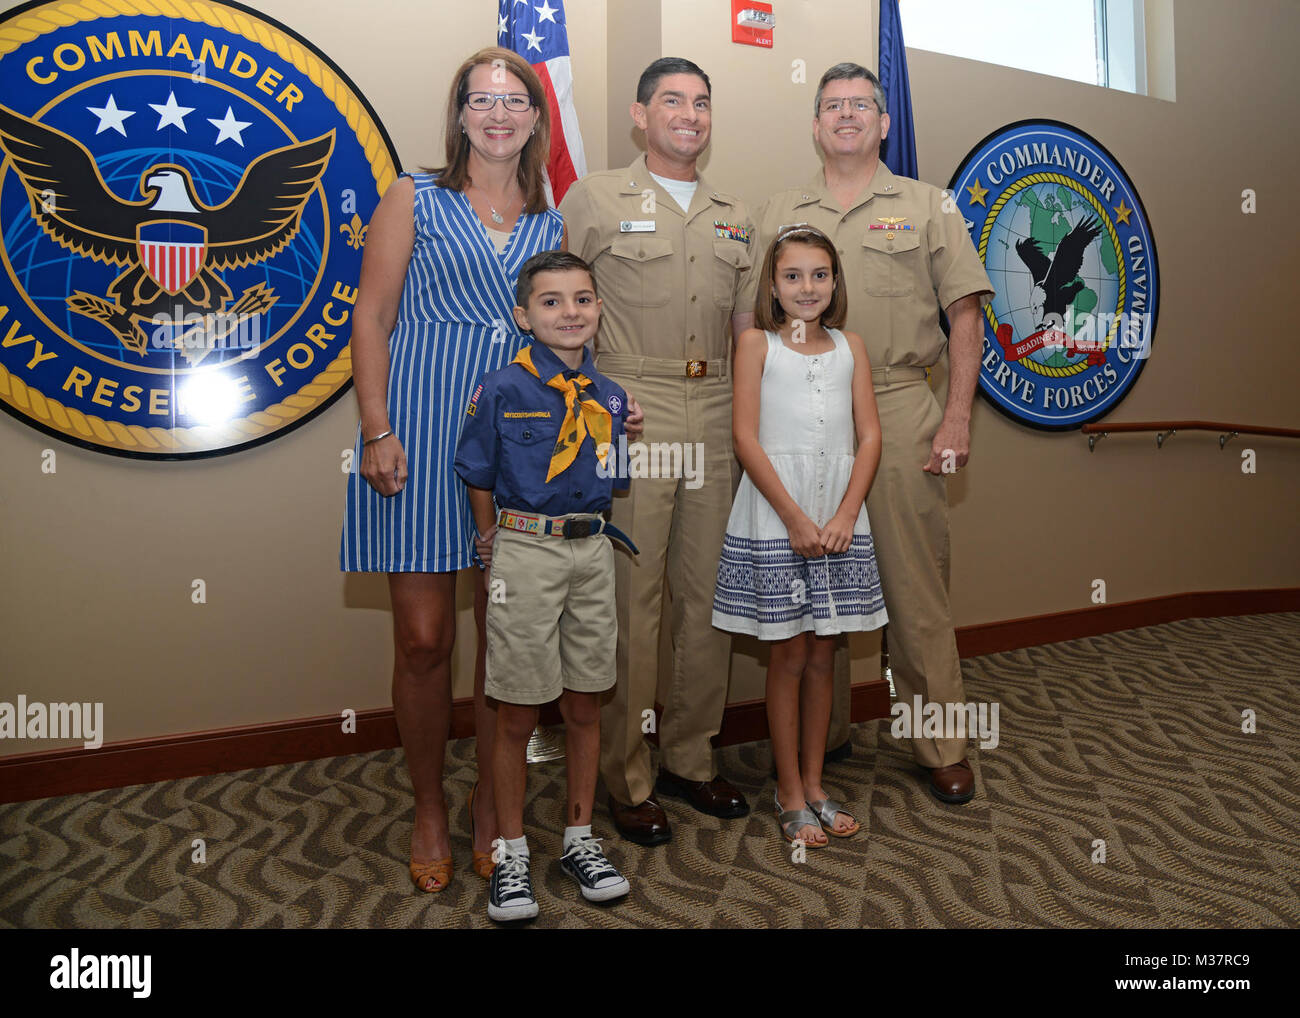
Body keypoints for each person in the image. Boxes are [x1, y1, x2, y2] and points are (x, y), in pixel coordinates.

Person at [339, 47, 566, 893]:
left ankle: (487, 799)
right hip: (419, 431)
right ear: (460, 113)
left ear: (536, 118)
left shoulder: (553, 220)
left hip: (518, 445)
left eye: (515, 100)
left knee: (504, 639)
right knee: (425, 639)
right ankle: (427, 803)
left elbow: (563, 334)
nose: (499, 114)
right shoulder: (414, 196)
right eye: (483, 100)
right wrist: (375, 427)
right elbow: (372, 314)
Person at [757, 63, 994, 804]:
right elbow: (749, 321)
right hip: (797, 410)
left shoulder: (930, 206)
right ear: (817, 123)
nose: (848, 115)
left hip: (897, 404)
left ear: (884, 123)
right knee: (806, 582)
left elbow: (964, 315)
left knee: (915, 587)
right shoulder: (780, 209)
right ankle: (814, 743)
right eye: (833, 105)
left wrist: (955, 416)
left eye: (862, 104)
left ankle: (939, 742)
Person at [560, 57, 757, 845]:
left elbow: (749, 333)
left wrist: (750, 421)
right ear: (640, 115)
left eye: (702, 102)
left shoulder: (736, 213)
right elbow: (554, 305)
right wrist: (588, 402)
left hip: (714, 405)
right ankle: (626, 773)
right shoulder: (595, 197)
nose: (690, 114)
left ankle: (690, 758)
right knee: (632, 604)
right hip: (631, 406)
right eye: (672, 101)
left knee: (708, 595)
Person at [455, 250, 634, 921]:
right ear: (522, 315)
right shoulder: (501, 388)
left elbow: (610, 476)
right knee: (518, 709)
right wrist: (488, 541)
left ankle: (580, 840)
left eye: (582, 299)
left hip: (591, 547)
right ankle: (509, 851)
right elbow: (477, 470)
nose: (570, 313)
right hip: (525, 548)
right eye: (552, 301)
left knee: (587, 702)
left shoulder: (610, 395)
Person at [713, 226, 887, 849]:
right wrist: (791, 516)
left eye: (819, 275)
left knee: (824, 653)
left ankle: (815, 782)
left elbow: (869, 436)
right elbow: (745, 438)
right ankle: (787, 789)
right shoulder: (757, 344)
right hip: (776, 510)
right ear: (772, 285)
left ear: (835, 283)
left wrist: (845, 513)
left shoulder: (850, 346)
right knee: (786, 654)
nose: (806, 287)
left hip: (839, 514)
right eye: (793, 276)